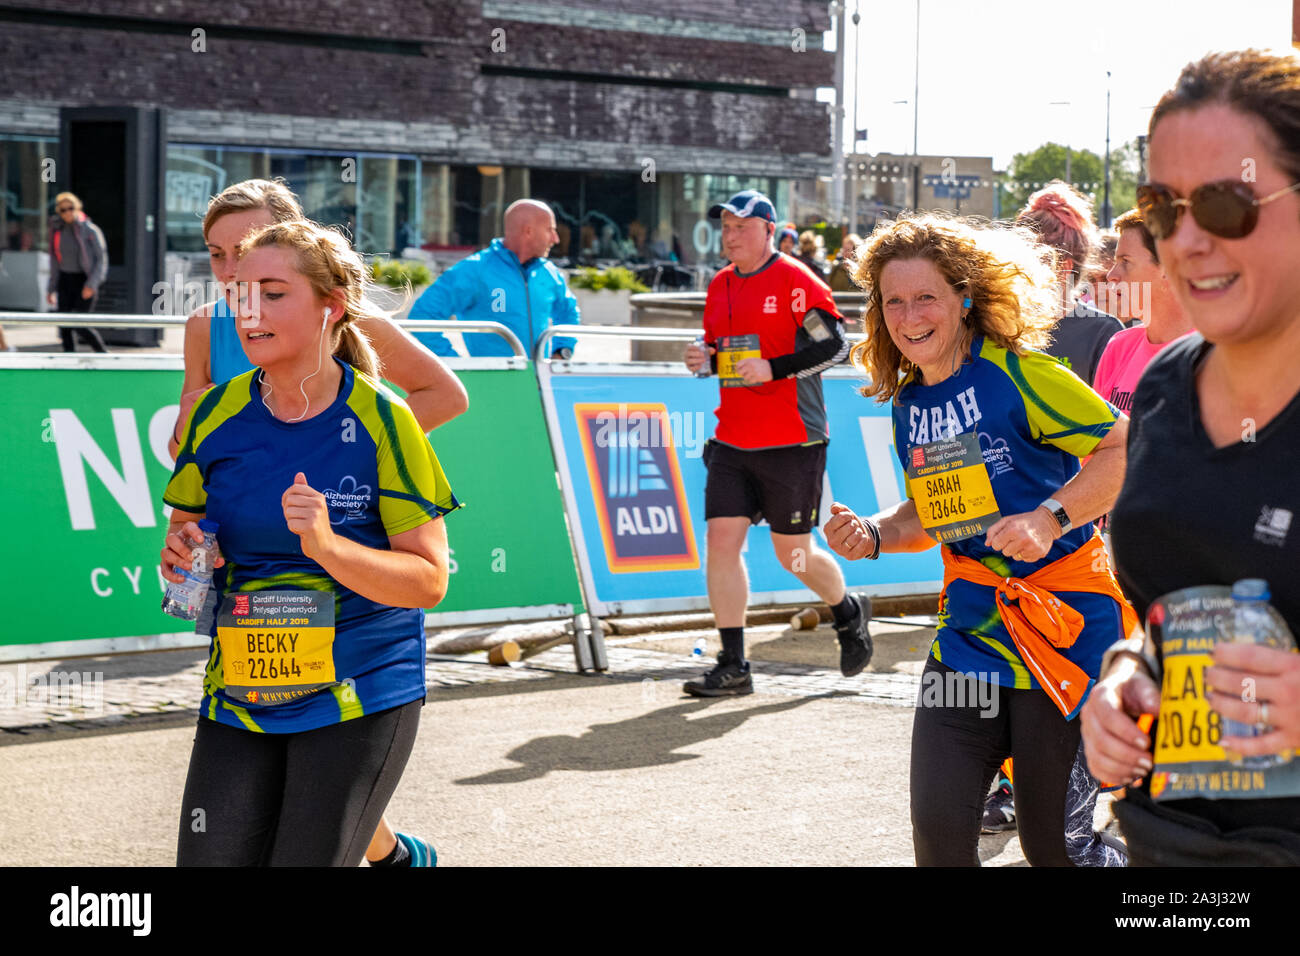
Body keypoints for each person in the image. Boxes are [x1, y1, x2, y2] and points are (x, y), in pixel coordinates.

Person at [168, 178, 466, 867]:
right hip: (244, 683)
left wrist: (329, 542)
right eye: (241, 290)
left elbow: (427, 580)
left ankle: (392, 852)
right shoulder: (214, 412)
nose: (248, 309)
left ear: (332, 307)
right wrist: (185, 551)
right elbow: (186, 529)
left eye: (272, 294)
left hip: (359, 684)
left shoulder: (384, 419)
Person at [826, 212, 1133, 866]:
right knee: (939, 840)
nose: (909, 316)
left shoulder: (1018, 374)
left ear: (965, 298)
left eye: (926, 297)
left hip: (1064, 632)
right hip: (969, 635)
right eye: (893, 301)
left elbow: (1123, 448)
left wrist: (1049, 517)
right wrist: (875, 533)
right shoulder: (910, 403)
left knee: (1055, 847)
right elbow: (936, 515)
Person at [1082, 48, 1300, 865]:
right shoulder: (1168, 385)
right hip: (1170, 847)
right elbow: (1169, 599)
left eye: (1225, 202)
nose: (1192, 239)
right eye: (1164, 208)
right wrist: (1126, 671)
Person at [681, 190, 870, 696]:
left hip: (793, 440)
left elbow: (834, 345)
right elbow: (724, 350)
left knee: (795, 556)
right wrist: (703, 359)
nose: (730, 234)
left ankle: (847, 609)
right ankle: (734, 664)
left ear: (769, 229)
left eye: (741, 226)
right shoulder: (719, 285)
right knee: (722, 544)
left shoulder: (795, 281)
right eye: (724, 225)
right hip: (733, 438)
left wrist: (774, 368)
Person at [408, 198, 579, 359]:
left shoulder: (549, 273)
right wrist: (458, 366)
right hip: (494, 382)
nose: (555, 239)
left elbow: (569, 312)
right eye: (550, 230)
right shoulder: (475, 270)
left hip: (539, 383)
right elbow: (422, 318)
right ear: (529, 231)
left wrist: (562, 351)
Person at [1091, 208, 1195, 415]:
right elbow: (1099, 443)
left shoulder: (1217, 357)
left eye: (1125, 261)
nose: (1111, 275)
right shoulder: (1118, 348)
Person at [1017, 182, 1122, 384]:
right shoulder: (1002, 327)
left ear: (1064, 268)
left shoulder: (1104, 333)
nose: (1019, 271)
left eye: (1031, 262)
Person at [45, 192, 108, 353]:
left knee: (80, 323)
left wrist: (92, 284)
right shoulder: (56, 230)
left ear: (77, 208)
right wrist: (51, 288)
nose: (67, 212)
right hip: (65, 280)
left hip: (84, 280)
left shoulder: (89, 230)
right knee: (64, 325)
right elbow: (54, 260)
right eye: (63, 209)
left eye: (70, 208)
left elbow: (101, 259)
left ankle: (103, 354)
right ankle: (69, 359)